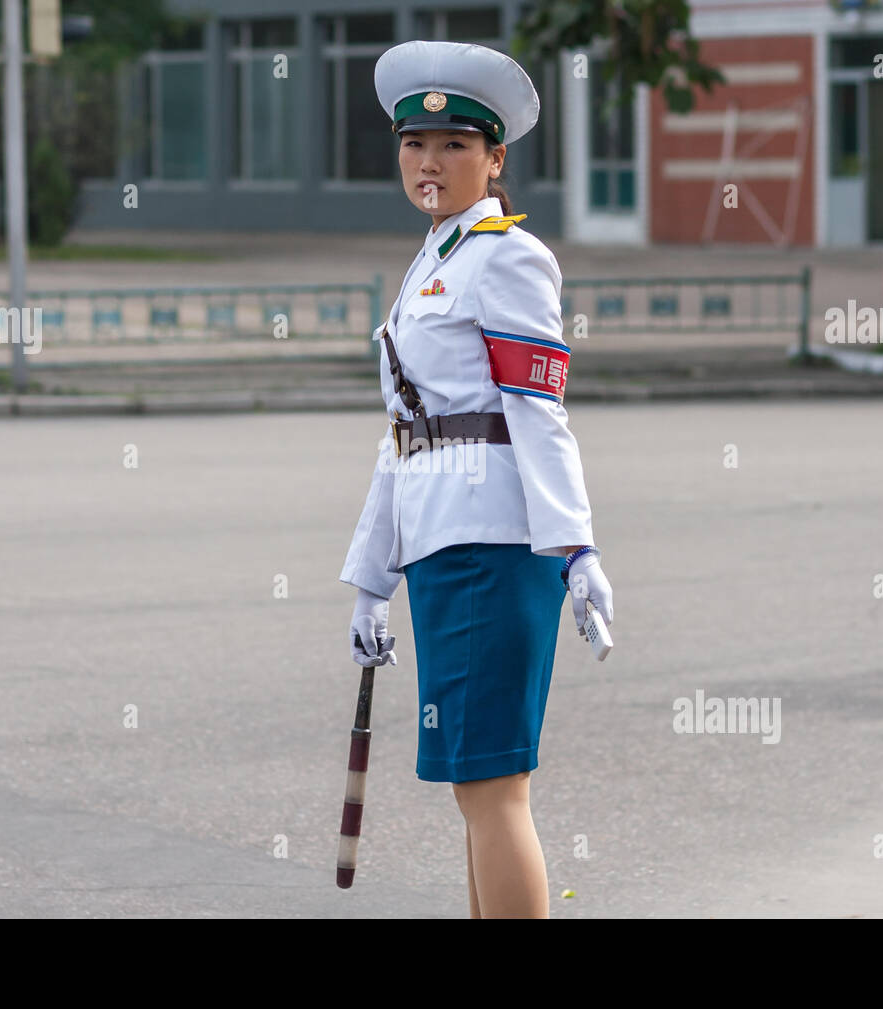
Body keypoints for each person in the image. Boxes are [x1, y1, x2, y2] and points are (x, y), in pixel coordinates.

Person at [339, 39, 614, 919]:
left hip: (493, 545)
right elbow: (405, 433)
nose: (431, 162)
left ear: (495, 160)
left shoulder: (506, 257)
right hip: (441, 546)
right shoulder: (434, 259)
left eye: (457, 145)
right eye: (415, 146)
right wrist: (371, 581)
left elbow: (539, 415)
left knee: (493, 790)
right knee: (477, 787)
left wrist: (576, 548)